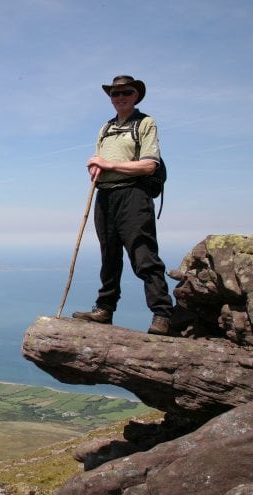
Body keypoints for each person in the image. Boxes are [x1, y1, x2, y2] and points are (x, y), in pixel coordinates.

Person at [72, 75, 174, 335]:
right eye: (115, 94)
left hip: (134, 193)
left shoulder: (145, 123)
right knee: (109, 254)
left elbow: (150, 164)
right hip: (104, 194)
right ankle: (104, 309)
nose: (120, 98)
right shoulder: (105, 128)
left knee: (143, 256)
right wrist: (95, 167)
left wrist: (109, 165)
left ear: (136, 95)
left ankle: (162, 313)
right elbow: (99, 159)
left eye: (126, 93)